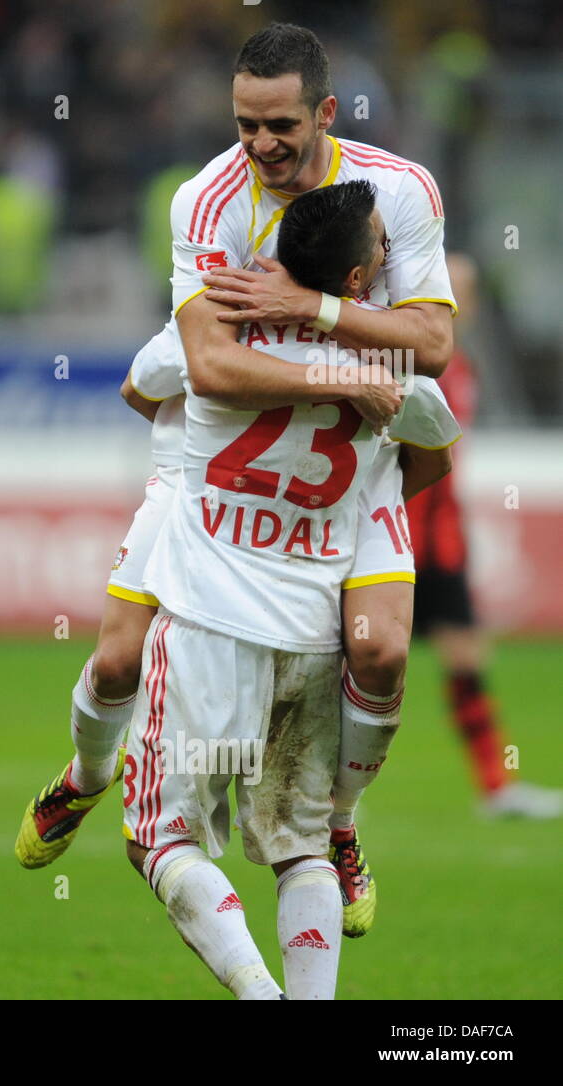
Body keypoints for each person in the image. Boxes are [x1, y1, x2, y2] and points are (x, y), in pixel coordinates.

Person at [16, 23, 458, 939]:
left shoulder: (400, 194)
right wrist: (321, 384)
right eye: (244, 124)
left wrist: (314, 313)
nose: (260, 146)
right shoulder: (208, 203)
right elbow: (175, 377)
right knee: (115, 659)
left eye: (280, 125)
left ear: (326, 112)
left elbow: (436, 349)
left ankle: (336, 825)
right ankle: (87, 777)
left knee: (379, 653)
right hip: (207, 469)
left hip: (350, 469)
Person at [122, 180, 458, 999]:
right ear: (352, 283)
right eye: (379, 247)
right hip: (313, 632)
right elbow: (438, 447)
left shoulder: (218, 334)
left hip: (208, 623)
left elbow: (143, 384)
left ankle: (260, 994)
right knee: (301, 847)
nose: (388, 257)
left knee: (162, 842)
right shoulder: (388, 370)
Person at [407, 254, 563, 819]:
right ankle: (321, 796)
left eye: (466, 291)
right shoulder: (410, 362)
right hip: (395, 540)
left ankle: (497, 786)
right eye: (450, 289)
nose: (458, 301)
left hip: (443, 543)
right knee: (351, 673)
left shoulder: (461, 365)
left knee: (467, 659)